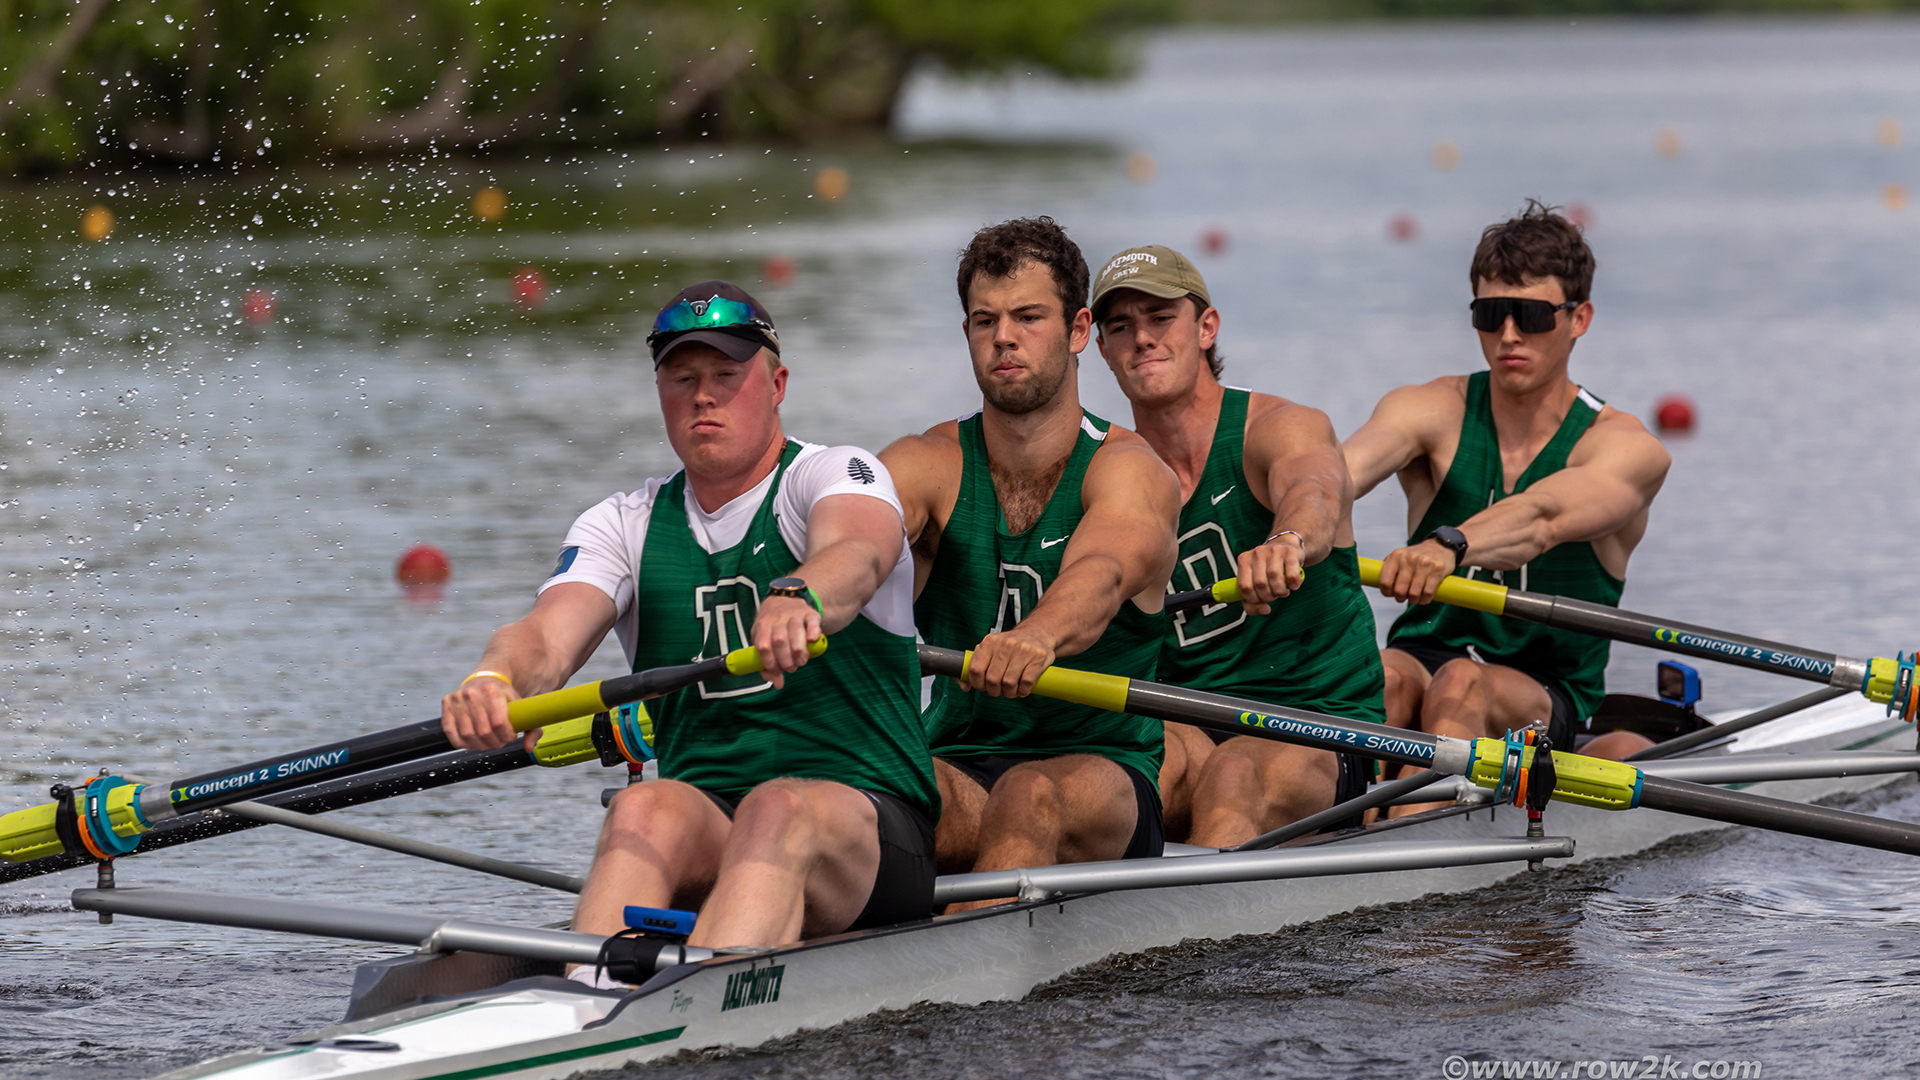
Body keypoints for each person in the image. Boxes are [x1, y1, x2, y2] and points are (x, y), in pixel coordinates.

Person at [440, 281, 939, 975]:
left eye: (726, 376)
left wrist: (801, 594)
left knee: (776, 807)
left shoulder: (834, 474)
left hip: (872, 834)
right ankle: (584, 1014)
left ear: (776, 383)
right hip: (713, 830)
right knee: (643, 808)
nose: (703, 395)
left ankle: (693, 1016)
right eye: (682, 378)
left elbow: (857, 552)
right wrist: (494, 680)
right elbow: (546, 637)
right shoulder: (623, 523)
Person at [881, 217, 1179, 907]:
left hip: (1104, 777)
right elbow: (852, 544)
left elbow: (1101, 572)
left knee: (1026, 794)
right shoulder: (922, 463)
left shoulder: (1130, 471)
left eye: (1028, 317)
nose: (1004, 337)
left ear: (1078, 332)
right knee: (850, 792)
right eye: (984, 321)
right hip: (958, 757)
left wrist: (1036, 637)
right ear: (967, 337)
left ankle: (962, 997)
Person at [1343, 201, 1671, 782]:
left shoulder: (1626, 448)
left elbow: (1541, 517)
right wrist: (1288, 529)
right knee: (1379, 674)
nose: (1509, 335)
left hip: (1545, 692)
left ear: (1580, 318)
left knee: (1462, 683)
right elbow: (1335, 476)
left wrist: (1449, 544)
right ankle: (1323, 830)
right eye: (1491, 314)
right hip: (1422, 660)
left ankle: (1413, 842)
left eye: (1531, 315)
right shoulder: (1427, 410)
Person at [1092, 245, 1386, 848]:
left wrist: (1287, 541)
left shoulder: (1278, 427)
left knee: (1235, 774)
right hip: (1187, 727)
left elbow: (1316, 490)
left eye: (1160, 317)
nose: (1142, 338)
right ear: (1102, 349)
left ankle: (1197, 942)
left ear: (1206, 327)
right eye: (1121, 326)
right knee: (1103, 773)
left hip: (1319, 730)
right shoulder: (1106, 473)